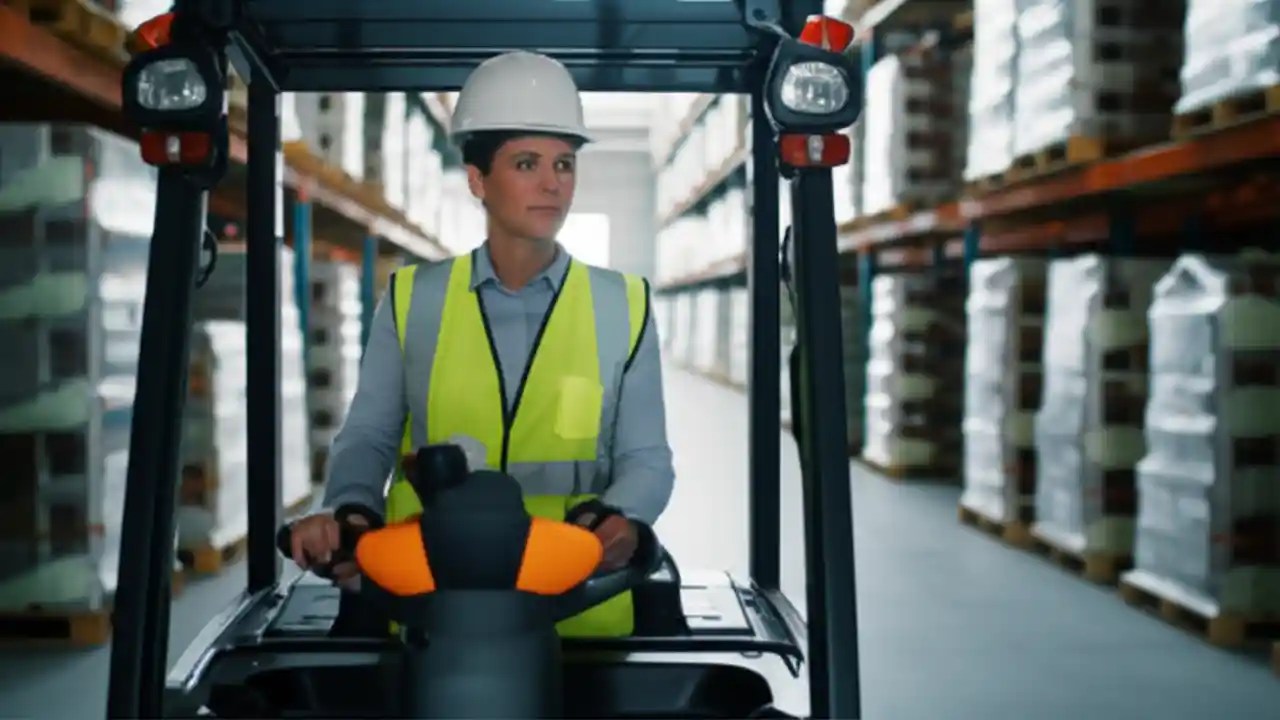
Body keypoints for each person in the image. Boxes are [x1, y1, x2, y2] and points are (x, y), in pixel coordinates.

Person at [286, 50, 676, 637]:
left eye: (565, 164)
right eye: (527, 163)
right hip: (428, 596)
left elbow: (647, 459)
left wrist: (621, 516)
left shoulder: (624, 304)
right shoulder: (413, 298)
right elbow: (368, 436)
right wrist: (351, 511)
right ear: (477, 180)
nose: (553, 183)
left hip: (574, 600)